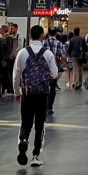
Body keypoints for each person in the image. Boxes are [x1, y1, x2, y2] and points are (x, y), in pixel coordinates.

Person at [13, 24, 60, 167]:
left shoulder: (22, 53)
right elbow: (54, 74)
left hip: (27, 93)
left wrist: (17, 92)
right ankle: (35, 155)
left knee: (26, 122)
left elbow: (16, 75)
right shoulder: (48, 54)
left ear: (29, 36)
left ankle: (23, 140)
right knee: (40, 125)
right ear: (42, 36)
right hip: (42, 94)